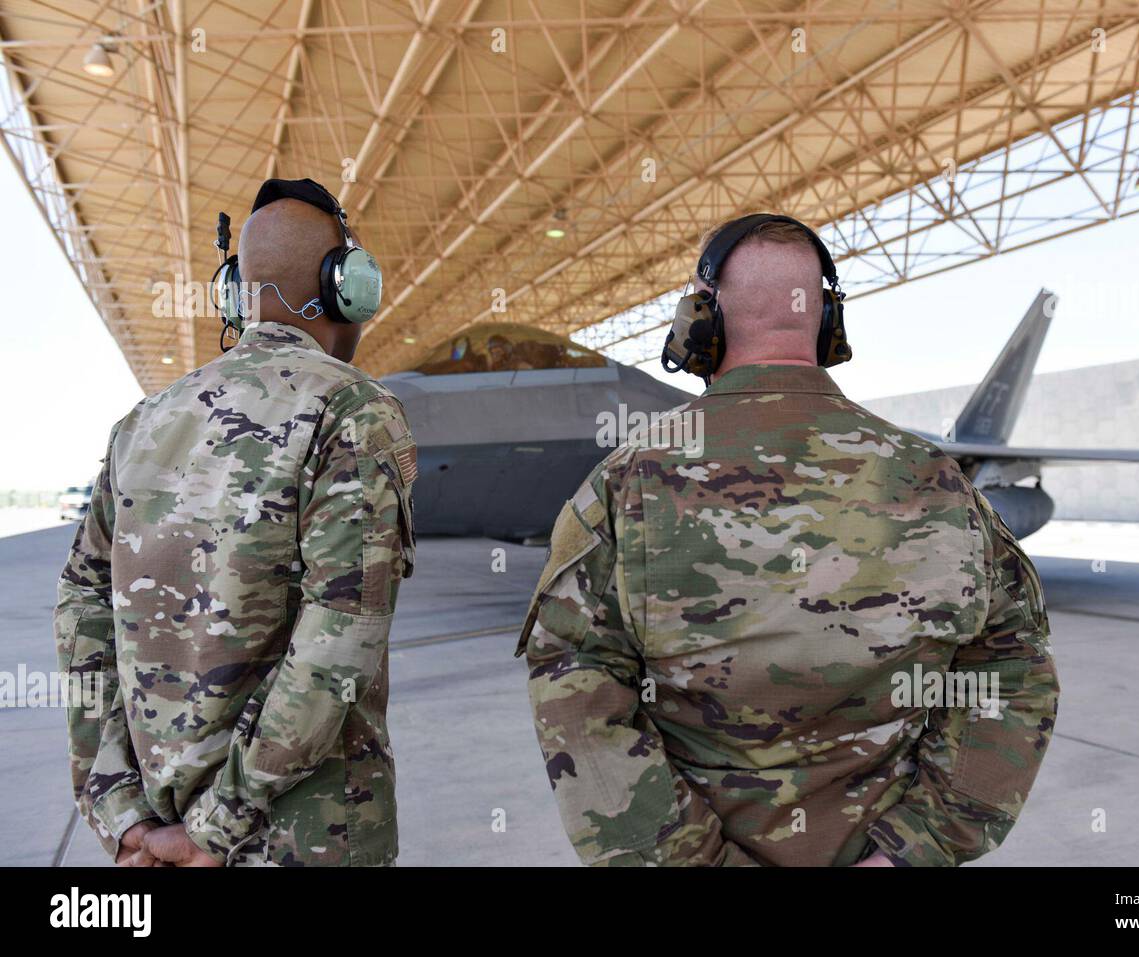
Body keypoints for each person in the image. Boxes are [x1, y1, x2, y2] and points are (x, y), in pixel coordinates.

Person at [518, 214, 1059, 866]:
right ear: (828, 322)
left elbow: (577, 691)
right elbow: (1012, 670)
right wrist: (915, 845)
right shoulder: (940, 481)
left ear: (700, 320)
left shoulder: (624, 485)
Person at [54, 179, 416, 867]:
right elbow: (340, 641)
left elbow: (80, 609)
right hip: (300, 843)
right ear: (346, 288)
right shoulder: (352, 410)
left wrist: (120, 812)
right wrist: (216, 829)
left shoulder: (141, 425)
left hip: (160, 835)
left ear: (234, 294)